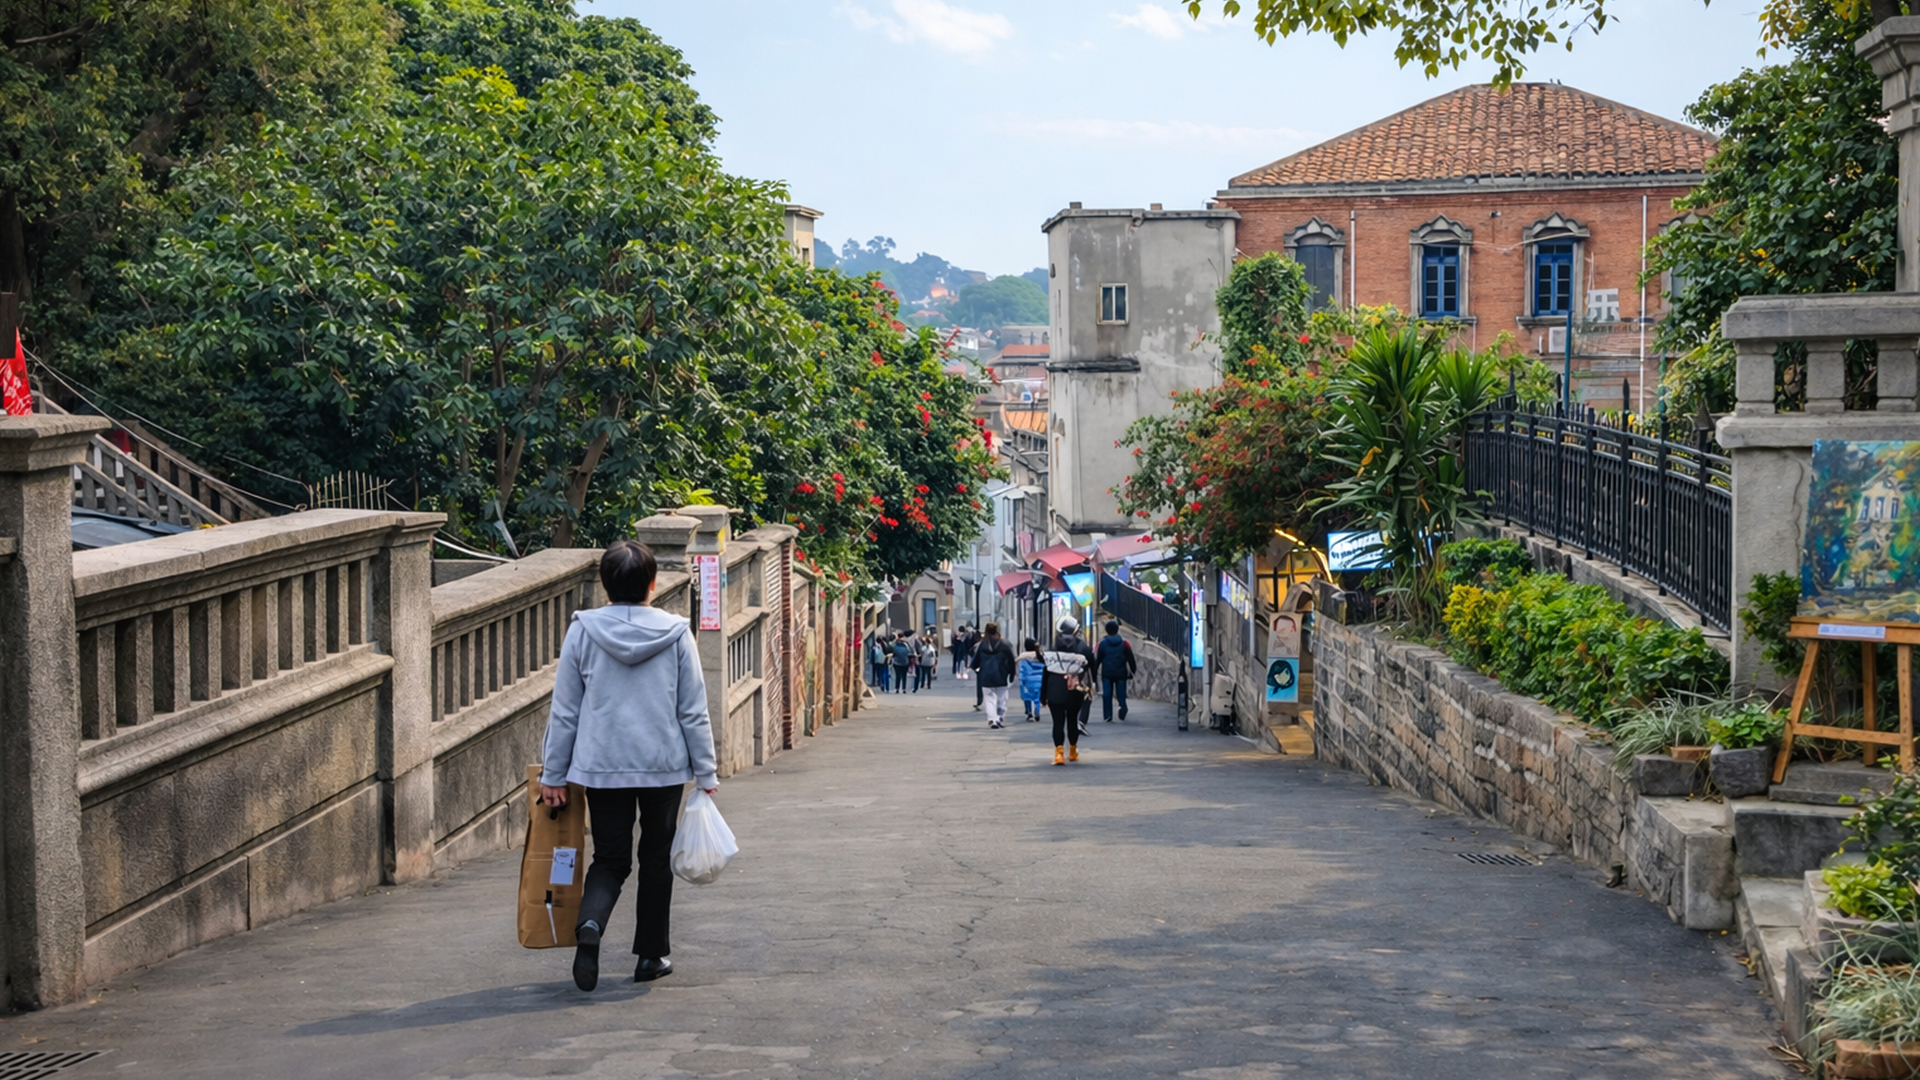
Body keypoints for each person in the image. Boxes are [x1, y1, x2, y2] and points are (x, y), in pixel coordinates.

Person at [539, 540, 716, 993]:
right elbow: (692, 711)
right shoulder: (676, 633)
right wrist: (707, 772)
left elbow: (565, 711)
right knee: (656, 858)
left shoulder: (583, 631)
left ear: (605, 585)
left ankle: (591, 924)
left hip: (602, 767)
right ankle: (651, 956)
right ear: (653, 584)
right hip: (663, 766)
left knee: (610, 858)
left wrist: (552, 775)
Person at [1042, 617, 1095, 764]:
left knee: (1057, 722)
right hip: (1075, 689)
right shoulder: (1083, 647)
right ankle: (1073, 751)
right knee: (1072, 719)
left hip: (1054, 689)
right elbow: (1091, 665)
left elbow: (1046, 671)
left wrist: (1043, 695)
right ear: (1076, 630)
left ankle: (1059, 754)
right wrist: (1091, 684)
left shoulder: (1052, 648)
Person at [969, 622, 1016, 729]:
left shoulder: (982, 645)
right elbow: (1011, 661)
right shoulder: (1004, 645)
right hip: (1001, 675)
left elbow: (975, 662)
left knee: (989, 698)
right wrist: (1011, 673)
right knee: (1002, 698)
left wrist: (978, 671)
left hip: (986, 676)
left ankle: (992, 719)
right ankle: (1000, 717)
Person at [1095, 619, 1138, 722]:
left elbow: (1098, 659)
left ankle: (1107, 715)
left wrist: (1094, 673)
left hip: (1107, 673)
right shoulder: (1124, 643)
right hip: (1121, 673)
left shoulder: (1102, 643)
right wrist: (1132, 671)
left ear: (1107, 630)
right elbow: (1130, 658)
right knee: (1121, 693)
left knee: (1107, 694)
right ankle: (1123, 708)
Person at [1017, 639, 1045, 722]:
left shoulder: (1023, 658)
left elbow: (1021, 671)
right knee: (1037, 698)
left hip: (1028, 681)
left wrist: (1021, 681)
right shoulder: (1040, 656)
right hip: (1039, 680)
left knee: (1027, 697)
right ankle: (1036, 713)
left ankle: (1029, 713)